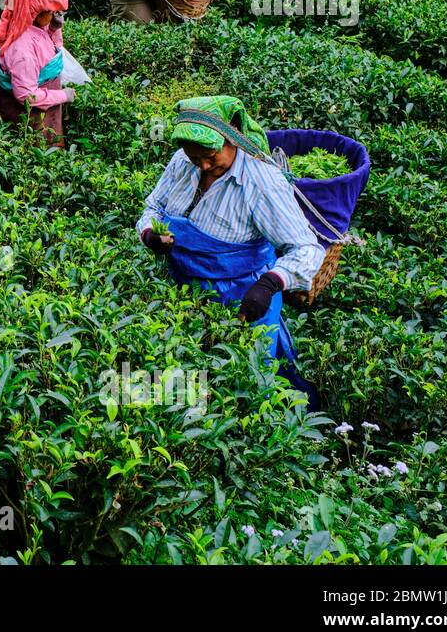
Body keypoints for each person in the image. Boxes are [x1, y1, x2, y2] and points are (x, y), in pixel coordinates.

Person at [137, 96, 325, 407]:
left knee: (251, 383)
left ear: (233, 135)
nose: (205, 166)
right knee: (195, 379)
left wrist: (270, 284)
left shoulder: (261, 182)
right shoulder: (183, 162)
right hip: (186, 293)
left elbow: (305, 247)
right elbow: (153, 206)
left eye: (211, 156)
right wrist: (149, 234)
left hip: (245, 298)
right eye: (196, 159)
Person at [0, 0, 78, 149]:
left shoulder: (30, 25)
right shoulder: (22, 50)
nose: (53, 14)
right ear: (34, 12)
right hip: (34, 115)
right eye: (50, 11)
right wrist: (63, 95)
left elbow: (49, 47)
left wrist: (53, 29)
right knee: (40, 151)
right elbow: (26, 96)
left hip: (46, 104)